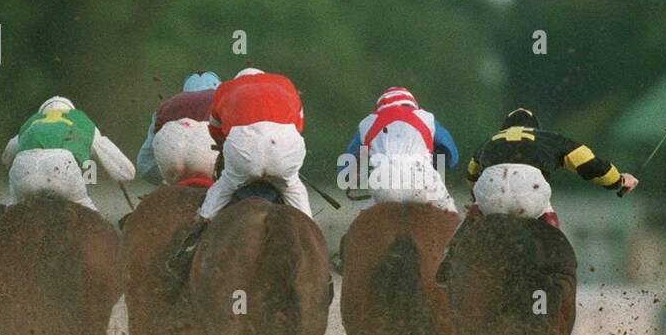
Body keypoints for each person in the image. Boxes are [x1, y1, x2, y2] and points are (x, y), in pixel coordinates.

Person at [434, 108, 637, 285]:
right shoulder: (548, 138)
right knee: (546, 210)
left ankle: (449, 262)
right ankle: (556, 271)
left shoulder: (489, 141)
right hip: (529, 192)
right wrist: (618, 181)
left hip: (490, 188)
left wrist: (482, 204)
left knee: (476, 208)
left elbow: (472, 177)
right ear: (535, 128)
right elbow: (589, 163)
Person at [164, 67, 310, 286]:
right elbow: (298, 126)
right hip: (285, 148)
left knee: (224, 186)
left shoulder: (226, 89)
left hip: (244, 151)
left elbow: (215, 132)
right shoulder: (285, 83)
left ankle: (196, 233)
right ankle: (311, 239)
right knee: (293, 187)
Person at [0, 96, 135, 288]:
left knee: (10, 214)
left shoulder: (31, 123)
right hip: (62, 169)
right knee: (93, 219)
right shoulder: (84, 123)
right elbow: (126, 172)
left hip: (24, 169)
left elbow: (7, 157)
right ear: (71, 110)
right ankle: (113, 263)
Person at [339, 86, 458, 212]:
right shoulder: (427, 118)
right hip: (422, 181)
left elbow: (345, 171)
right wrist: (434, 162)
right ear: (412, 104)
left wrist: (355, 178)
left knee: (362, 223)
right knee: (451, 217)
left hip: (383, 182)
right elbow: (452, 157)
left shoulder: (366, 123)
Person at [135, 71, 221, 186]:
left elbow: (145, 166)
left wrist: (168, 182)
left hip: (175, 174)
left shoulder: (164, 108)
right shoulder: (225, 101)